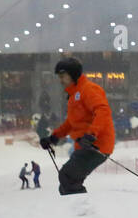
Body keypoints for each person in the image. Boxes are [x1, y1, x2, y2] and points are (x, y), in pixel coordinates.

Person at [39, 57, 115, 194]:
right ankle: (76, 210)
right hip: (84, 146)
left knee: (67, 177)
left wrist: (91, 135)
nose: (60, 80)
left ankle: (82, 211)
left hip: (97, 145)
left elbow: (102, 111)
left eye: (63, 76)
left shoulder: (89, 89)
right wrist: (53, 137)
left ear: (73, 74)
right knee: (67, 182)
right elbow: (71, 123)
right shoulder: (74, 95)